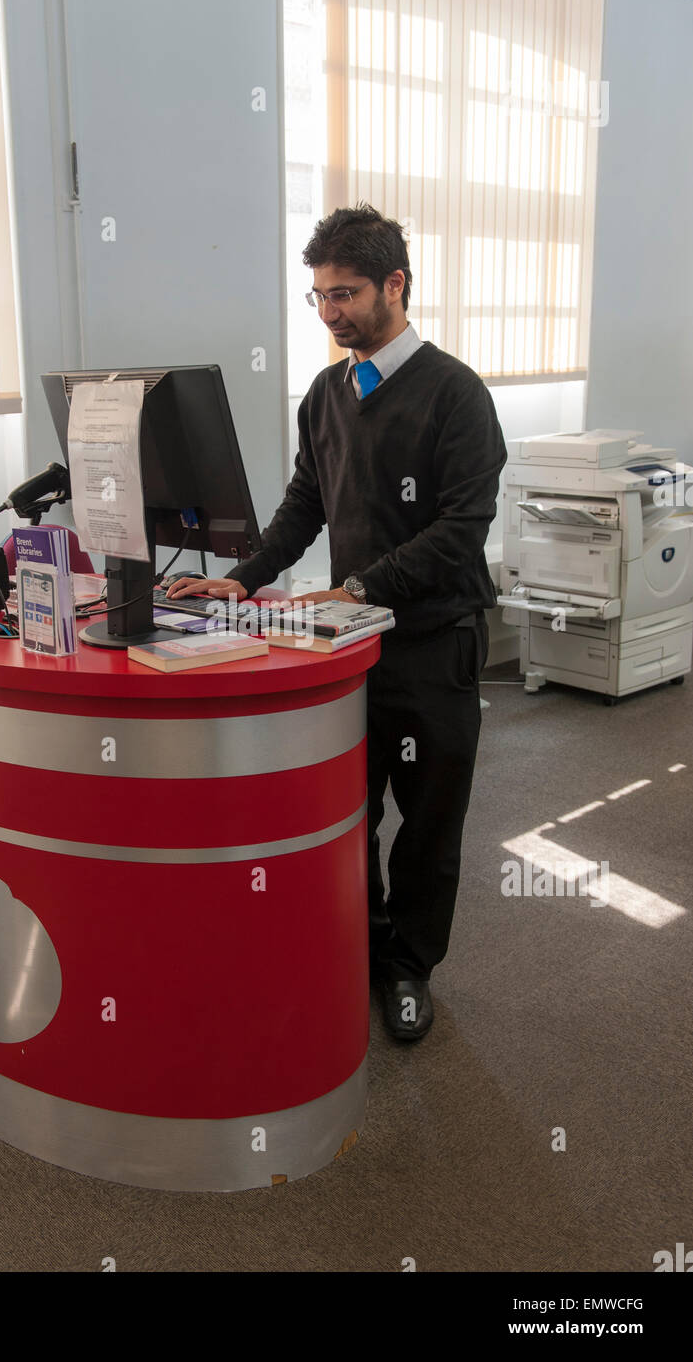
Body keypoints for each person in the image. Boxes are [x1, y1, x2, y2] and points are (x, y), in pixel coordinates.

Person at [167, 203, 507, 1042]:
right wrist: (242, 581)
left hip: (433, 644)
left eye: (345, 294)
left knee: (426, 827)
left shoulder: (455, 395)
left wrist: (358, 588)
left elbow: (462, 527)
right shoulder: (325, 394)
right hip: (345, 651)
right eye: (317, 297)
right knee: (343, 816)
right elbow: (303, 504)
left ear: (396, 284)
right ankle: (356, 947)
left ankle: (407, 970)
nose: (329, 313)